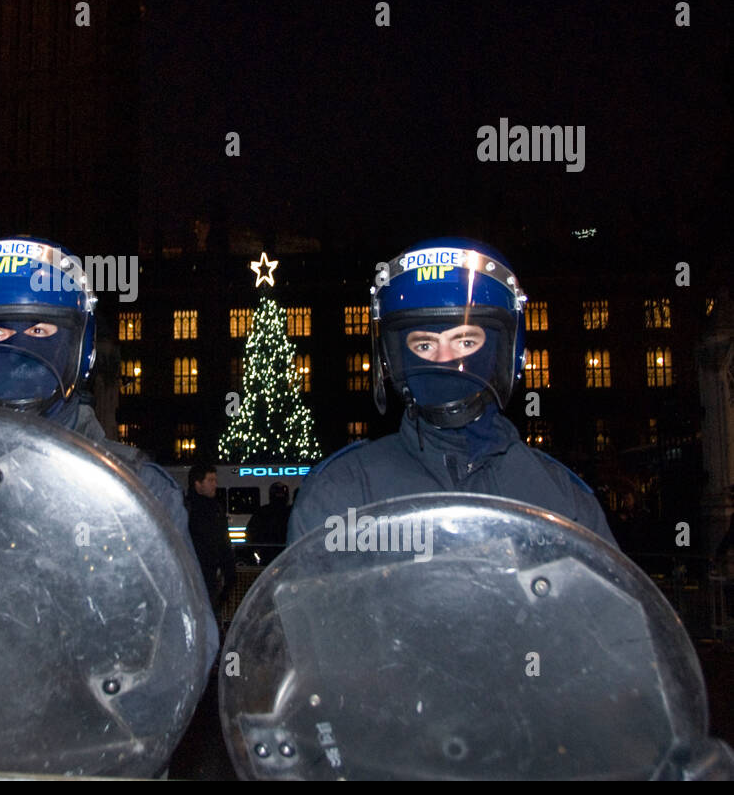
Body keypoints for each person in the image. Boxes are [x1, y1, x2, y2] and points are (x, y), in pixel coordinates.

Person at [0, 236, 219, 673]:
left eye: (39, 331)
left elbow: (183, 653)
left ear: (81, 346)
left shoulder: (139, 491)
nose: (16, 350)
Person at [287, 238, 618, 548]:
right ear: (395, 358)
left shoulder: (558, 498)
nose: (445, 361)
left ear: (505, 352)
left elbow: (605, 605)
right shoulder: (344, 491)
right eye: (425, 345)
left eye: (465, 341)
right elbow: (306, 602)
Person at [183, 463, 236, 616]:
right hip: (196, 575)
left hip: (209, 575)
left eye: (215, 480)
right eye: (210, 480)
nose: (215, 484)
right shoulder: (188, 509)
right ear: (198, 484)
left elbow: (223, 542)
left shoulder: (215, 509)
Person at [247, 480, 293, 548]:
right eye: (278, 494)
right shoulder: (292, 512)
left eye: (281, 494)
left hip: (275, 551)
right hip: (273, 551)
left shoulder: (262, 512)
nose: (280, 496)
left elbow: (251, 533)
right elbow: (251, 533)